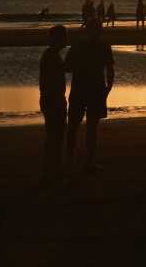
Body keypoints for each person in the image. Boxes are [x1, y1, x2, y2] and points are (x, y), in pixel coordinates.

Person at [65, 20, 114, 172]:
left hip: (81, 88)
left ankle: (70, 162)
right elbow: (110, 69)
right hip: (96, 89)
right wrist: (108, 88)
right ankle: (88, 162)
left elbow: (68, 67)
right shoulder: (103, 45)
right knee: (91, 127)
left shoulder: (78, 45)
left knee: (74, 126)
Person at [39, 25, 68, 179]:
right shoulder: (51, 56)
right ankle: (52, 169)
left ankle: (52, 167)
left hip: (51, 99)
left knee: (54, 135)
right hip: (53, 100)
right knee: (55, 135)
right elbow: (51, 81)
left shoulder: (51, 55)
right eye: (64, 37)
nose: (66, 40)